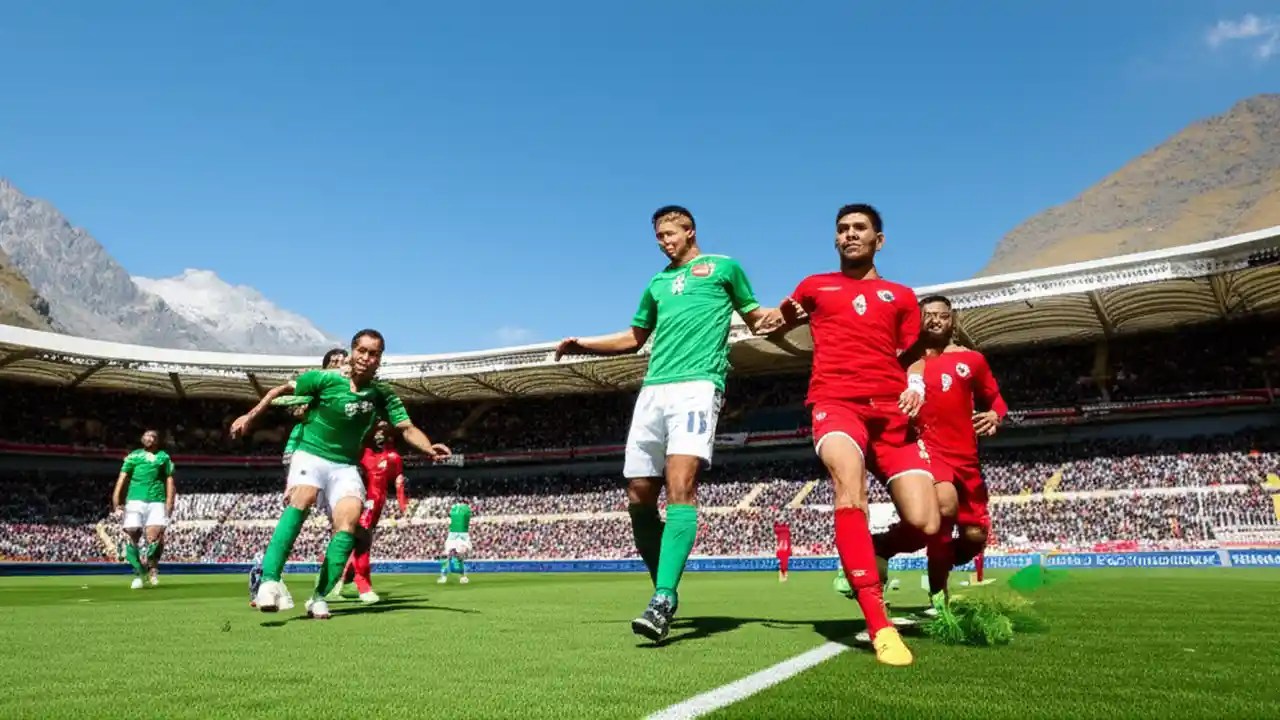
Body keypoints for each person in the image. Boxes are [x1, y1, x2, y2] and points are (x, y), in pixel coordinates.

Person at [555, 204, 778, 644]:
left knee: (680, 485)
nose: (663, 242)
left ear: (689, 230)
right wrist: (583, 344)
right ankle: (664, 585)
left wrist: (805, 309)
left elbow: (758, 320)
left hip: (698, 386)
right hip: (653, 389)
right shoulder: (656, 284)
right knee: (639, 495)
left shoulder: (724, 268)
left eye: (669, 233)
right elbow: (634, 338)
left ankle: (662, 598)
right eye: (658, 236)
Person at [766, 203, 938, 667]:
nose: (850, 234)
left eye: (860, 228)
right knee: (850, 488)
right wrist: (753, 312)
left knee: (926, 523)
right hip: (836, 403)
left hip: (892, 414)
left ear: (879, 240)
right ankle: (880, 626)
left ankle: (875, 548)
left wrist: (917, 386)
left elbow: (913, 355)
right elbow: (775, 321)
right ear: (835, 239)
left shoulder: (901, 297)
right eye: (842, 229)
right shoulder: (814, 287)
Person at [231, 329, 450, 619]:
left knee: (348, 521)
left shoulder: (382, 394)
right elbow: (280, 391)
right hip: (311, 453)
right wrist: (250, 416)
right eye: (362, 351)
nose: (367, 358)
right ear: (352, 352)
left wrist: (429, 448)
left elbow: (406, 428)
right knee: (304, 497)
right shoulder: (324, 379)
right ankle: (269, 581)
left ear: (380, 359)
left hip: (345, 465)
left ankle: (319, 597)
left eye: (374, 354)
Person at [910, 295, 1006, 607]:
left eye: (942, 315)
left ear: (952, 320)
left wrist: (995, 415)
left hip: (967, 459)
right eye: (928, 315)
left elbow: (996, 399)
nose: (935, 320)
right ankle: (938, 594)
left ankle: (939, 566)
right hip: (930, 452)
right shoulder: (910, 361)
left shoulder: (973, 360)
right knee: (944, 510)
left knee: (976, 536)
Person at [249, 347, 348, 607]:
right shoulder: (314, 383)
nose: (339, 364)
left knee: (342, 523)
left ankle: (321, 588)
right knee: (299, 506)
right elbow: (287, 401)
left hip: (335, 458)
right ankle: (266, 578)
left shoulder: (349, 387)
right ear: (324, 366)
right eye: (334, 361)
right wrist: (251, 416)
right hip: (304, 450)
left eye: (342, 360)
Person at [329, 421, 408, 603]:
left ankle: (338, 583)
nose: (380, 434)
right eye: (377, 430)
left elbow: (399, 480)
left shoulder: (393, 457)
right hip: (363, 502)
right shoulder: (363, 453)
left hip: (376, 505)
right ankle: (361, 586)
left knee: (359, 542)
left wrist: (403, 504)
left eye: (383, 430)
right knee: (360, 541)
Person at [111, 430, 176, 589]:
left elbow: (169, 480)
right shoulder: (133, 456)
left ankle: (152, 568)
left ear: (157, 440)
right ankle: (139, 572)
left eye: (152, 436)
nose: (149, 438)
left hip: (157, 500)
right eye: (146, 436)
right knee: (132, 533)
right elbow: (122, 478)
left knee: (155, 537)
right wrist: (116, 501)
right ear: (141, 439)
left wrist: (170, 503)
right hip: (134, 500)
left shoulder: (163, 457)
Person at [438, 499, 472, 584]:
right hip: (456, 535)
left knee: (457, 557)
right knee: (450, 556)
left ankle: (461, 576)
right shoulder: (461, 510)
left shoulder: (462, 510)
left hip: (459, 535)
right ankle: (445, 576)